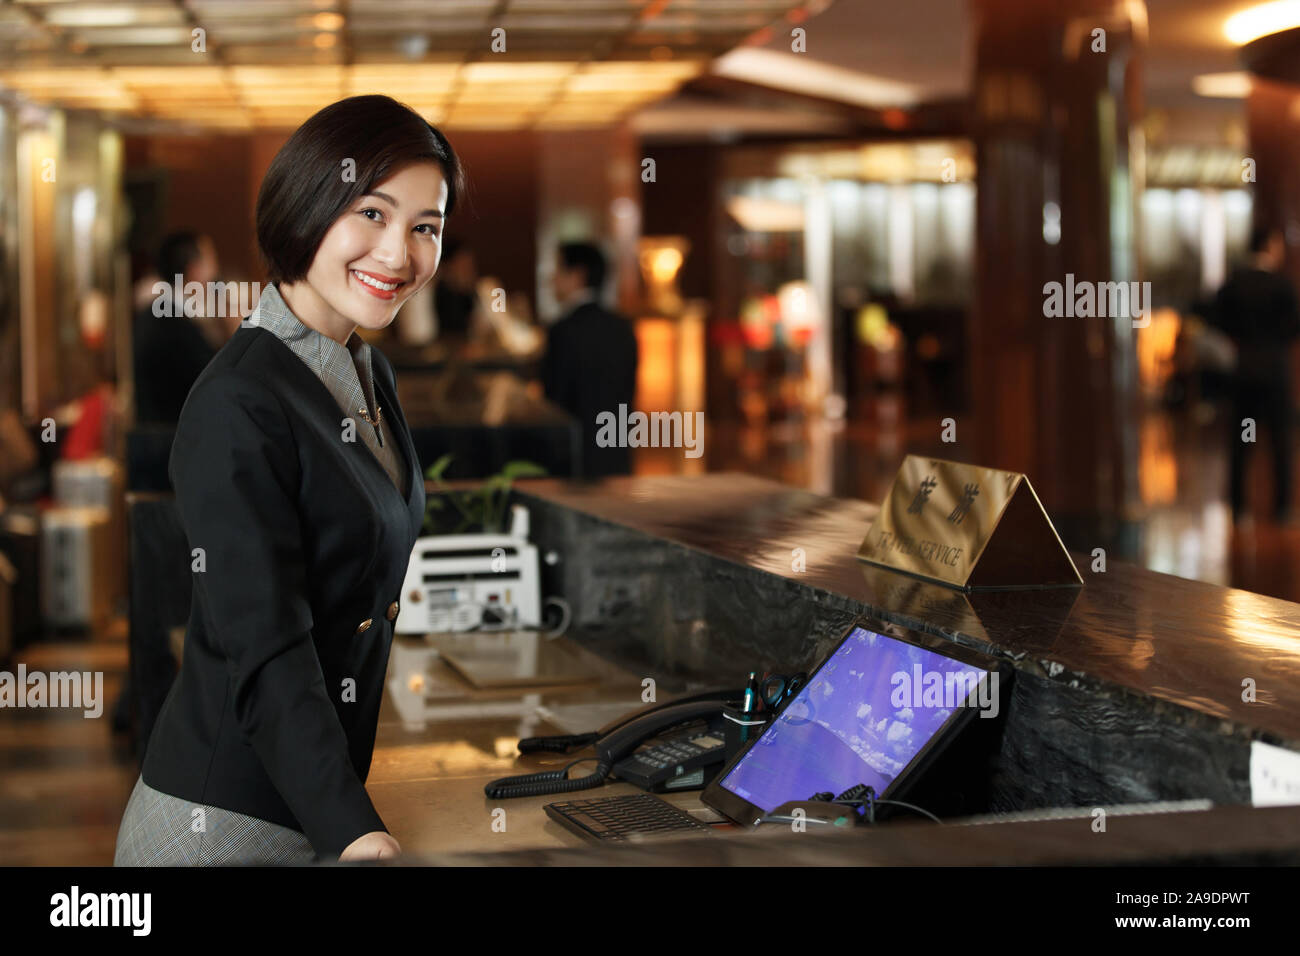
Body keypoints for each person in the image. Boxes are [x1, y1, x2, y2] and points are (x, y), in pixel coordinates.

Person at [114, 94, 465, 865]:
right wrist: (352, 829)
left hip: (312, 798)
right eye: (371, 214)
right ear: (307, 204)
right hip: (225, 823)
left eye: (426, 227)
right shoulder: (239, 400)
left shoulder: (365, 370)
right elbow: (266, 647)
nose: (398, 254)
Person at [1211, 225, 1300, 526]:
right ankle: (1282, 508)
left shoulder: (1236, 283)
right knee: (1279, 442)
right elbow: (1294, 325)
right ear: (1271, 245)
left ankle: (1239, 508)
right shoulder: (1282, 285)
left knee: (1242, 439)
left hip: (1245, 371)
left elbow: (1216, 317)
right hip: (1275, 373)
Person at [540, 241, 639, 477]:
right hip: (617, 452)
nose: (552, 279)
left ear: (578, 275)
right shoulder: (623, 328)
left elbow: (555, 402)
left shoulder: (562, 330)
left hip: (575, 459)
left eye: (558, 269)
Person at [131, 232, 220, 424]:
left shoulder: (160, 313)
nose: (215, 273)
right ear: (193, 270)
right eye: (210, 262)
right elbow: (214, 384)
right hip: (170, 436)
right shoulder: (173, 324)